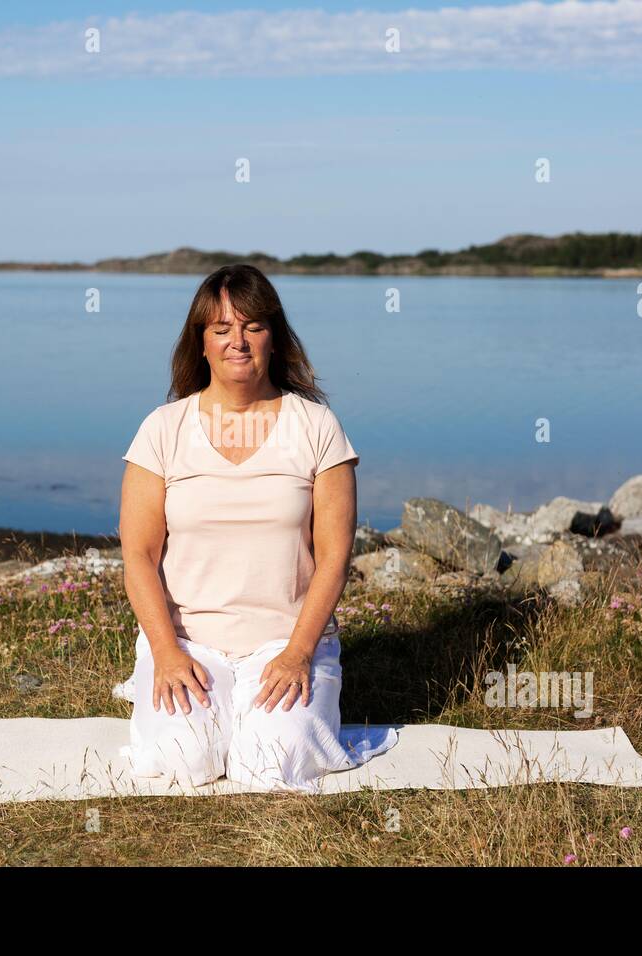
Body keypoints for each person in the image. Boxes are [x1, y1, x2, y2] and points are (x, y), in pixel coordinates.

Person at [115, 263, 397, 793]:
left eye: (253, 327)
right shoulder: (162, 429)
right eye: (221, 329)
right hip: (188, 643)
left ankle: (268, 715)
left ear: (275, 337)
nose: (237, 342)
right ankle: (206, 710)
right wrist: (167, 654)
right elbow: (138, 557)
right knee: (183, 759)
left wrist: (297, 653)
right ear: (200, 343)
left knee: (271, 764)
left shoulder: (316, 426)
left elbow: (335, 558)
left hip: (286, 642)